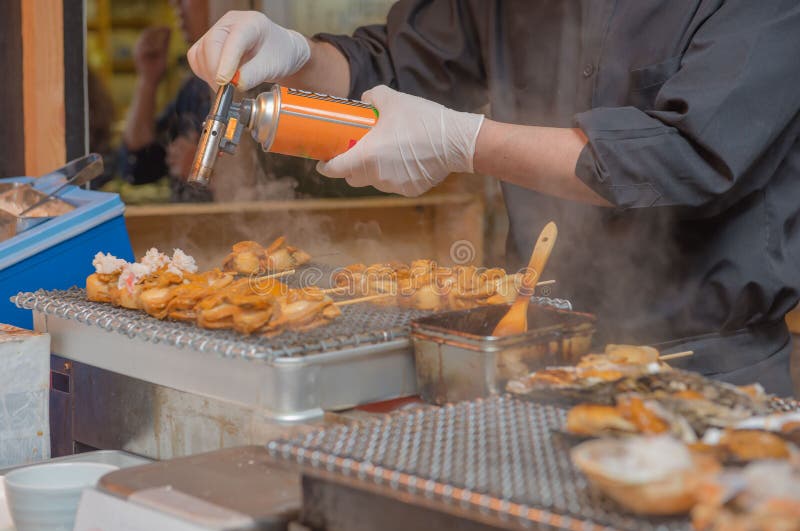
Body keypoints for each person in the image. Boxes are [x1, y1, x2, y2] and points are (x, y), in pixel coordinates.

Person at [187, 3, 800, 396]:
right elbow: (395, 66)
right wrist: (297, 57)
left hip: (706, 372)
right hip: (530, 348)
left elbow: (686, 153)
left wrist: (466, 142)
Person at [120, 0, 212, 202]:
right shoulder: (194, 88)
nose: (175, 3)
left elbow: (268, 185)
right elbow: (139, 167)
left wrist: (204, 169)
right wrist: (148, 81)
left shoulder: (255, 82)